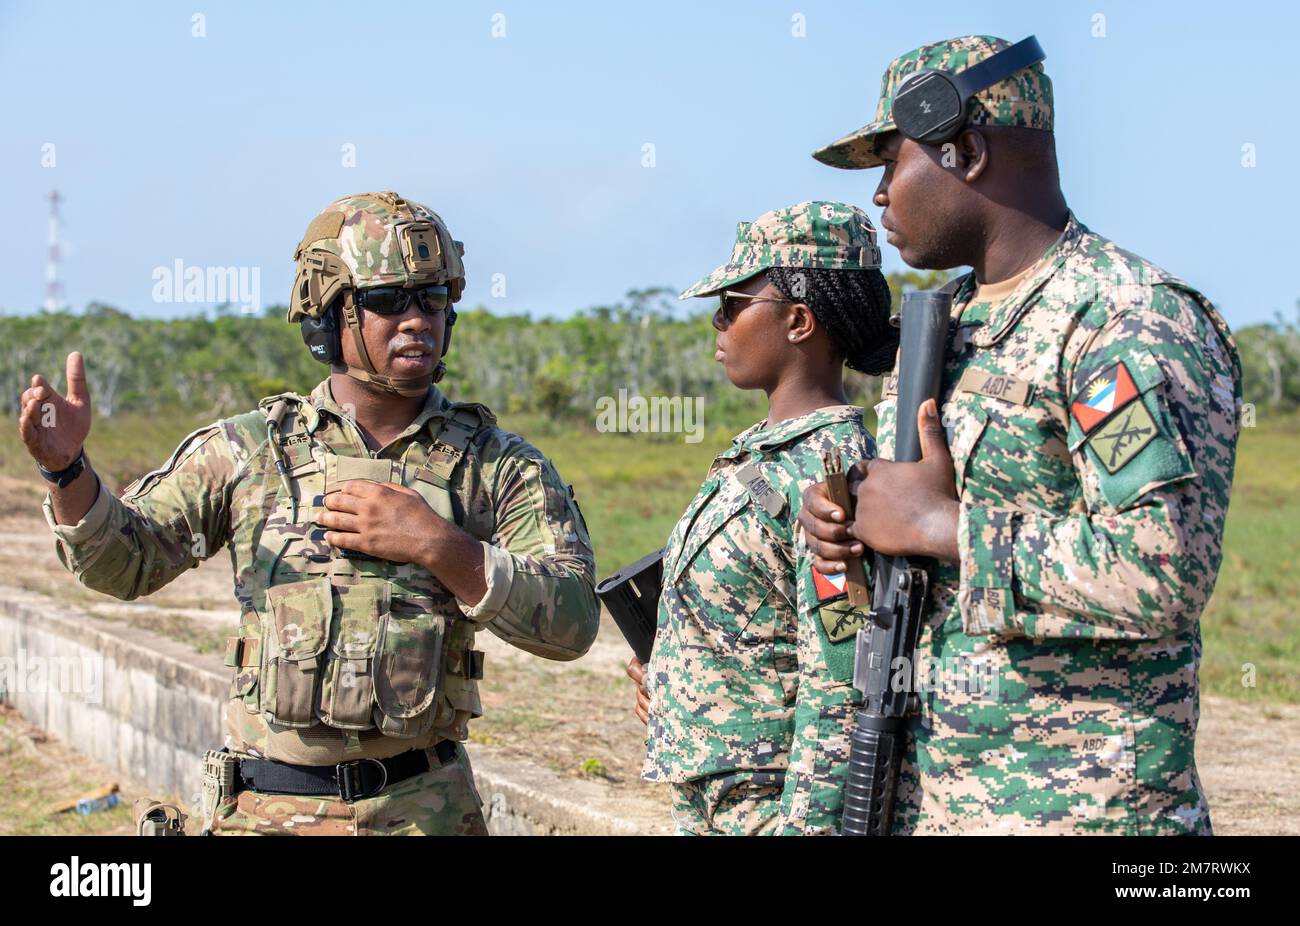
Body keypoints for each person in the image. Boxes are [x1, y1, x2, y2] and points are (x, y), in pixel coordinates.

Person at [19, 191, 600, 835]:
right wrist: (68, 473)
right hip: (264, 812)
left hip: (422, 813)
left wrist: (441, 546)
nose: (416, 320)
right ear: (328, 316)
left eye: (433, 299)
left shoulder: (497, 465)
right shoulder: (249, 450)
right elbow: (123, 566)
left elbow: (572, 622)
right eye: (387, 300)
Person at [800, 36, 1241, 834]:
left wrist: (944, 527)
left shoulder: (1121, 318)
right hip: (936, 797)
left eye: (890, 164)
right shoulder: (947, 326)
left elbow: (1164, 568)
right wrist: (856, 531)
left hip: (1083, 812)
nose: (879, 197)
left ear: (965, 150)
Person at [626, 201, 898, 834]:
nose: (718, 324)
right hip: (714, 799)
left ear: (799, 320)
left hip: (768, 810)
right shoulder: (763, 454)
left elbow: (844, 680)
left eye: (732, 305)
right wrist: (674, 680)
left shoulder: (833, 474)